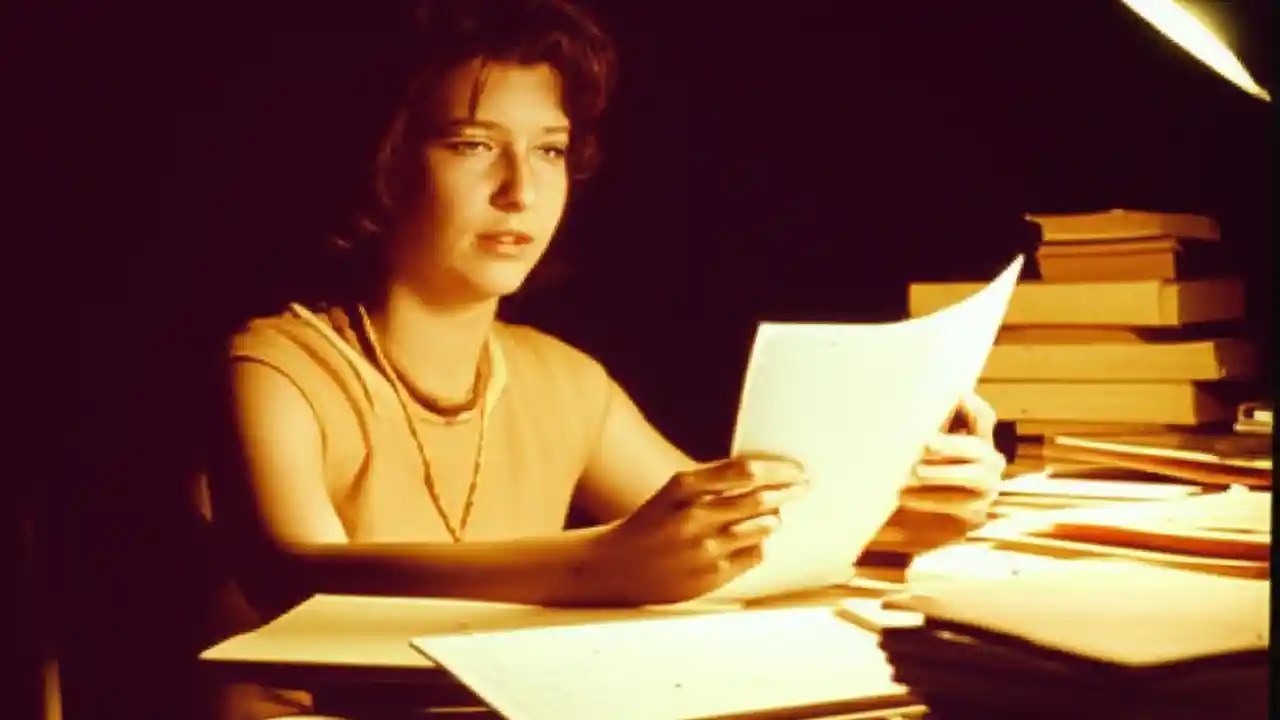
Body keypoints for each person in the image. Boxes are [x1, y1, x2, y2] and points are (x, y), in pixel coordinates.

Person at [202, 0, 1006, 716]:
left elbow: (724, 542)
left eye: (548, 151)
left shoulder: (563, 379)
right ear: (385, 160)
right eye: (473, 143)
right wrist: (599, 564)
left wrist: (905, 511)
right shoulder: (280, 364)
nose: (521, 189)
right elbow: (296, 580)